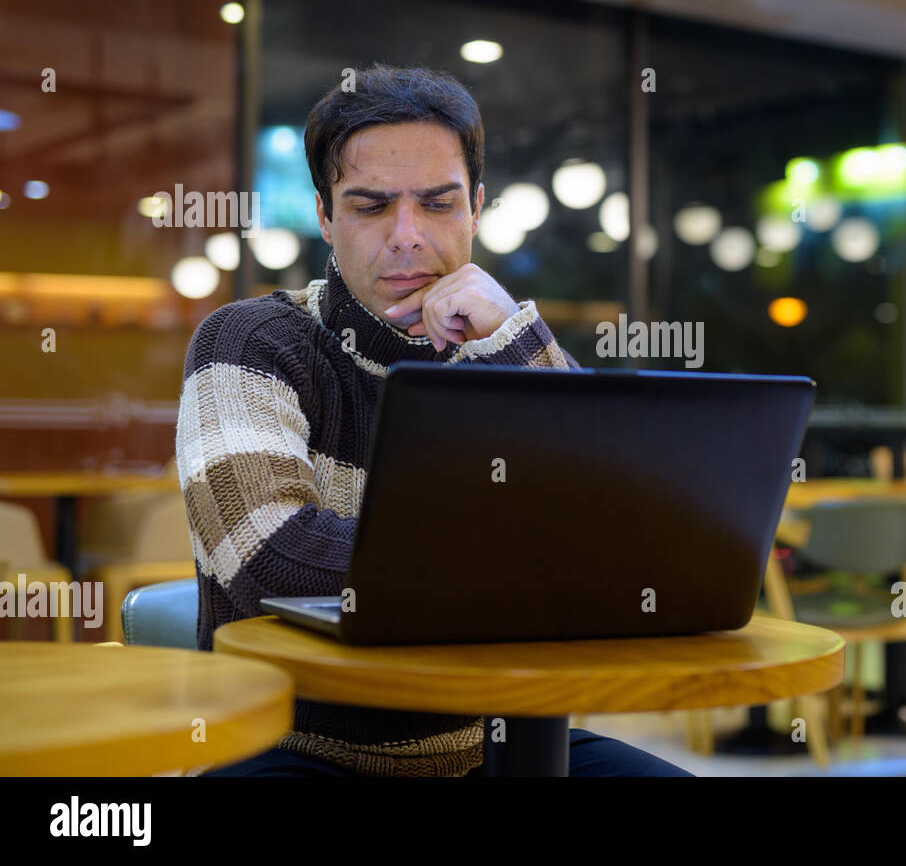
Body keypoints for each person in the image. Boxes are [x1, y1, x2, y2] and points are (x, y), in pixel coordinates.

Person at [179, 63, 691, 777]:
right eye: (371, 205)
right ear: (325, 217)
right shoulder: (248, 343)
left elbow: (621, 518)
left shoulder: (502, 346)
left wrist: (513, 336)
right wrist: (520, 566)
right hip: (300, 745)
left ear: (476, 207)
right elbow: (273, 554)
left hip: (502, 738)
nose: (408, 235)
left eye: (439, 203)